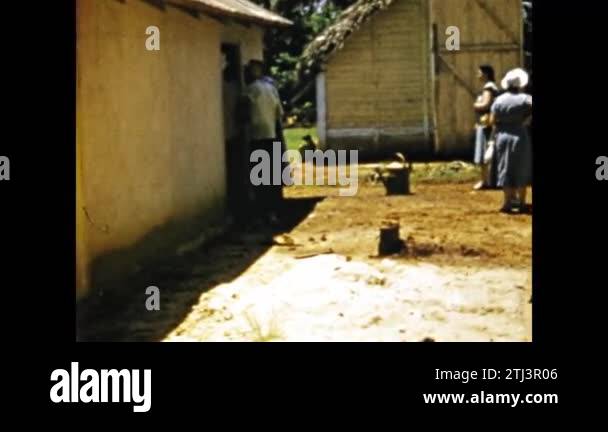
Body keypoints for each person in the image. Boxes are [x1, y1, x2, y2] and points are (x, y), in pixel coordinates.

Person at [244, 59, 285, 223]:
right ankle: (275, 211)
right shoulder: (271, 89)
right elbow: (279, 114)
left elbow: (242, 113)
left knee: (260, 178)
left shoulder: (250, 90)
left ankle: (262, 212)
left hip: (257, 138)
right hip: (272, 136)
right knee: (273, 177)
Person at [490, 68, 533, 213]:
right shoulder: (525, 99)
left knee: (504, 166)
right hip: (519, 134)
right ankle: (521, 202)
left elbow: (492, 120)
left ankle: (507, 202)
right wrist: (527, 120)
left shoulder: (499, 100)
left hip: (502, 135)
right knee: (521, 166)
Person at [473, 65, 499, 190]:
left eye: (479, 72)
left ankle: (485, 181)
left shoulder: (489, 88)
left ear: (486, 74)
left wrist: (476, 105)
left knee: (484, 152)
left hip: (486, 125)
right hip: (486, 123)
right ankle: (489, 180)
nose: (478, 75)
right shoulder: (490, 87)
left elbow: (486, 104)